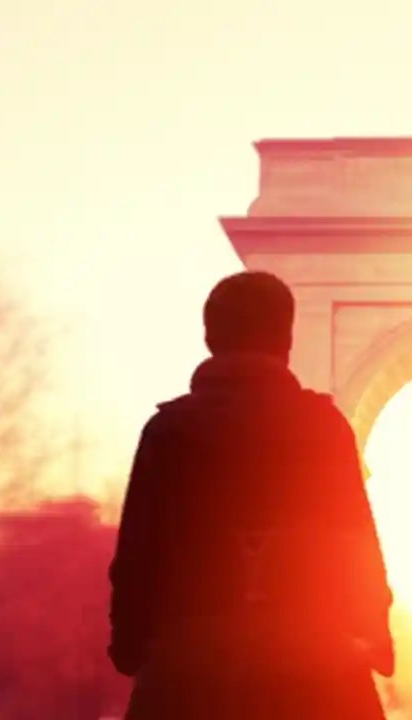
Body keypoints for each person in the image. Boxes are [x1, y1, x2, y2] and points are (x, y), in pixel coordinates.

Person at [107, 271, 395, 719]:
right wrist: (374, 638)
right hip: (315, 669)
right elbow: (357, 548)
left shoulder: (168, 430)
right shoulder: (324, 428)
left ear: (209, 336)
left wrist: (131, 647)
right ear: (287, 339)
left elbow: (137, 558)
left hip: (190, 670)